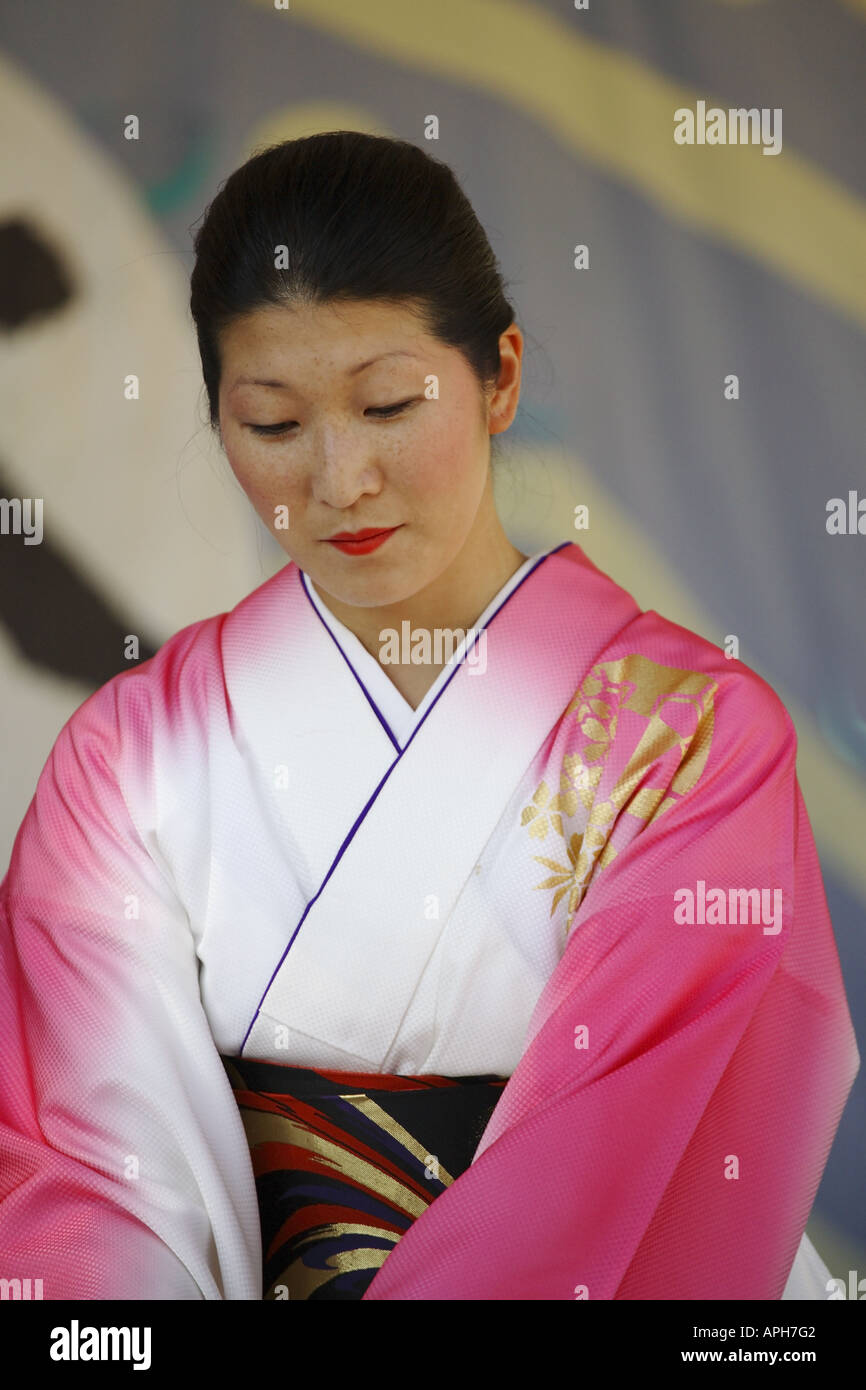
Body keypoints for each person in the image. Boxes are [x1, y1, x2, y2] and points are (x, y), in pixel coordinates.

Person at [0, 131, 858, 1301]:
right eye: (272, 423)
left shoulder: (688, 738)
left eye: (389, 403)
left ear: (500, 374)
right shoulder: (129, 758)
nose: (339, 477)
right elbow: (90, 1178)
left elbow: (638, 1164)